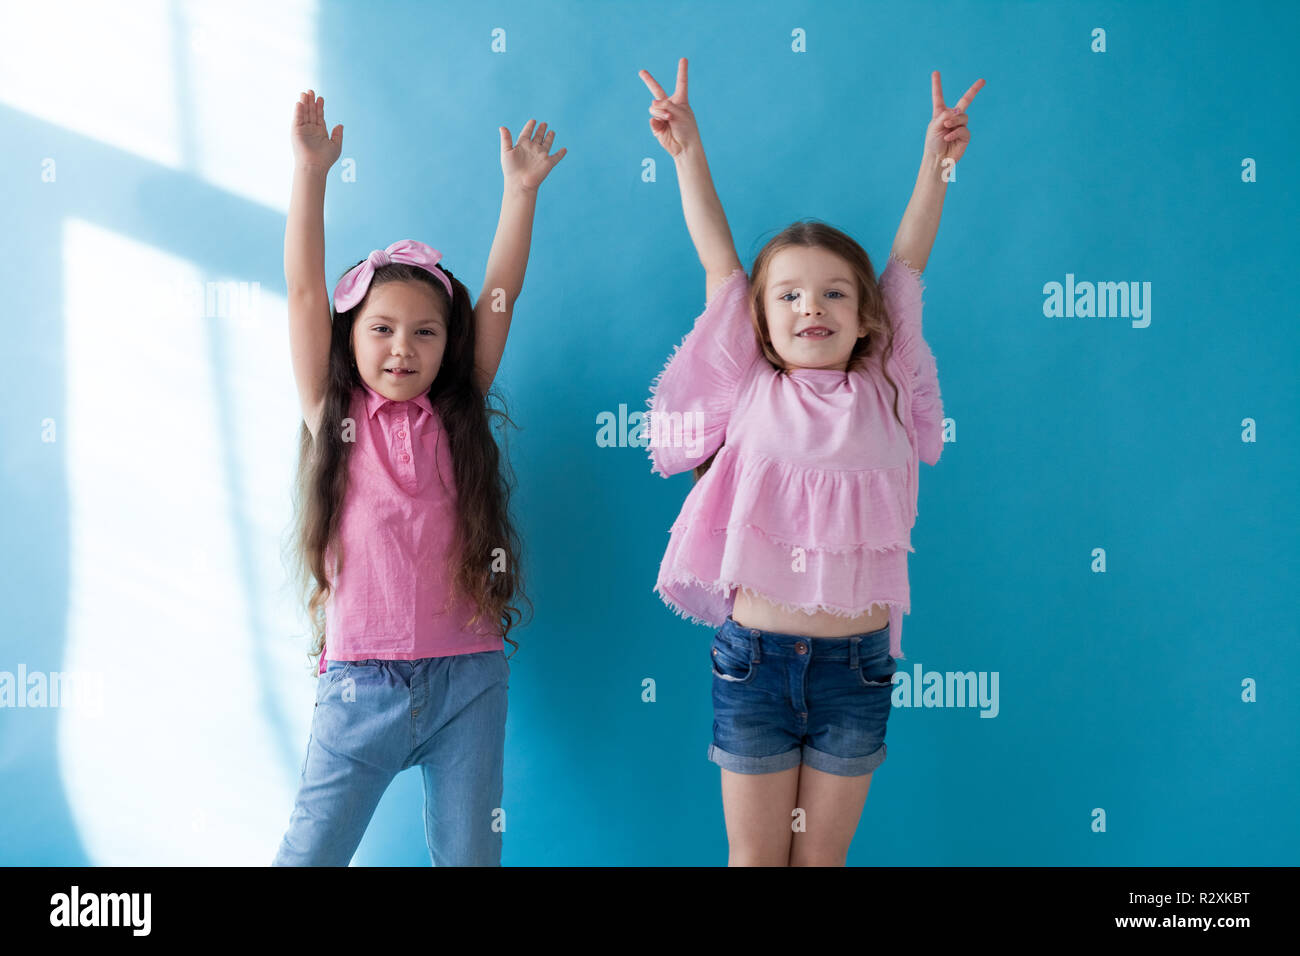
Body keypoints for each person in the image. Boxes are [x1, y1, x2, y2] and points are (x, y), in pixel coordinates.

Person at [639, 59, 982, 865]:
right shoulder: (754, 386)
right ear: (759, 320)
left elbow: (908, 264)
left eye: (833, 293)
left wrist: (938, 162)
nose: (811, 308)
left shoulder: (888, 381)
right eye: (789, 294)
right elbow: (720, 262)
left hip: (854, 671)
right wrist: (688, 151)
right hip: (754, 662)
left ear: (865, 318)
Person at [272, 90, 564, 865]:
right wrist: (310, 174)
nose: (403, 348)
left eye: (424, 333)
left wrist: (521, 193)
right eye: (382, 330)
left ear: (446, 344)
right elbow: (305, 292)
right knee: (309, 855)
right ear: (352, 338)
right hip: (360, 685)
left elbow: (500, 296)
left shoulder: (454, 412)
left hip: (468, 677)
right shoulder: (332, 416)